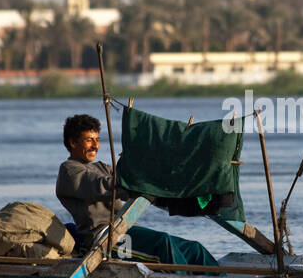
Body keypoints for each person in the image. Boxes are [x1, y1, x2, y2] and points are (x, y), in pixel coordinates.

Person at [56, 114, 220, 267]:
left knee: (193, 249)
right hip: (105, 239)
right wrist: (134, 180)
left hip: (127, 229)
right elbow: (105, 186)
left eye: (97, 140)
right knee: (163, 244)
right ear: (73, 143)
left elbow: (129, 182)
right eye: (89, 140)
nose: (96, 145)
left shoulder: (101, 167)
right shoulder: (69, 171)